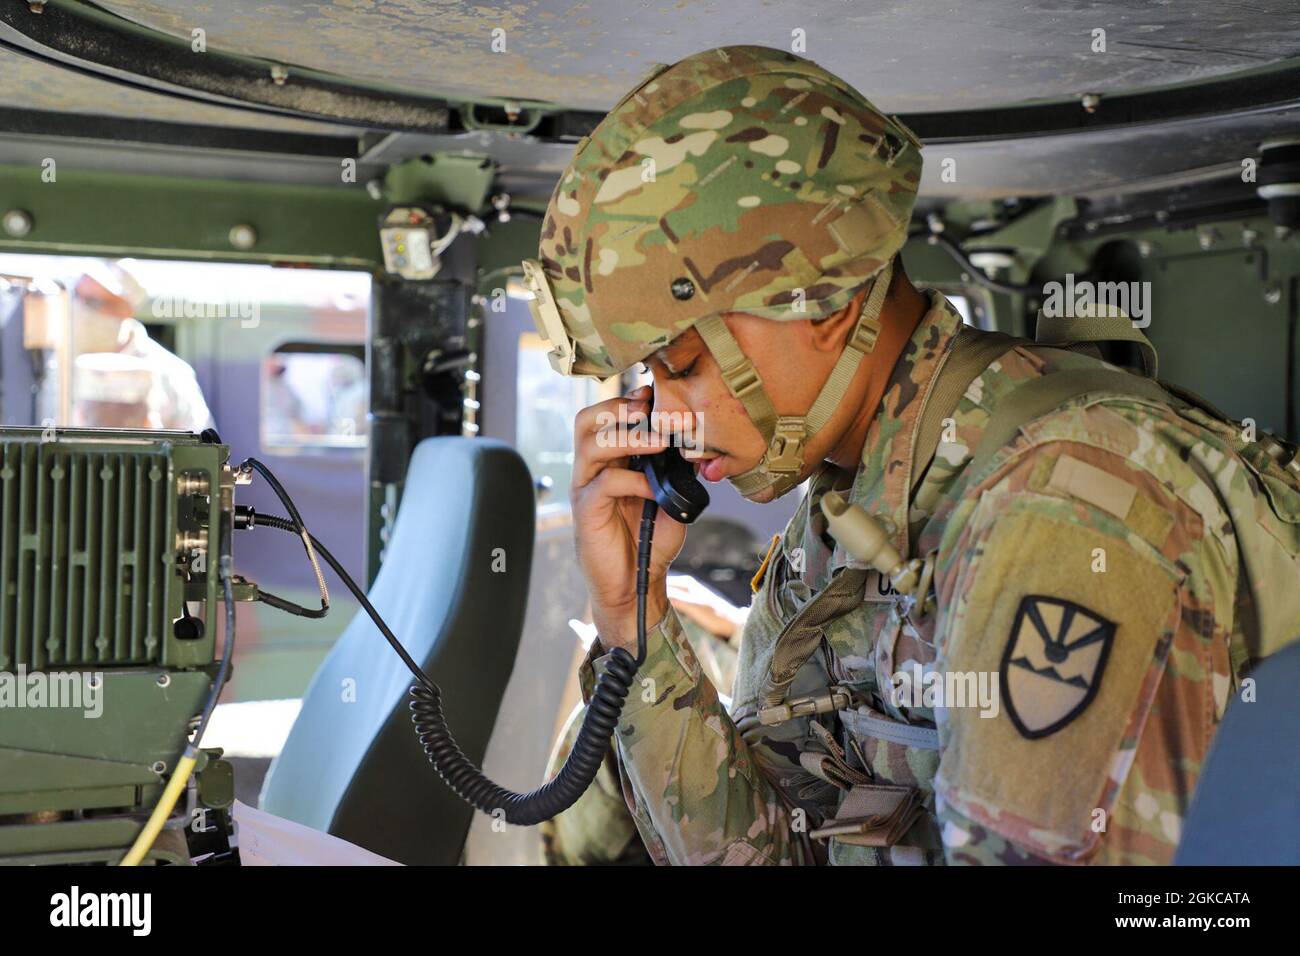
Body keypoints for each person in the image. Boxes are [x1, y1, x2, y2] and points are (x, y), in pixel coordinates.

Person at [523, 46, 1291, 864]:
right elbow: (777, 851)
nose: (663, 419)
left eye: (680, 367)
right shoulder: (844, 507)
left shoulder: (1066, 509)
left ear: (817, 302)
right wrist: (634, 621)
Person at [71, 261, 212, 433]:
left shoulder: (171, 374)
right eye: (76, 296)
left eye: (93, 302)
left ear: (127, 308)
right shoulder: (50, 361)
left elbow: (201, 447)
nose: (79, 308)